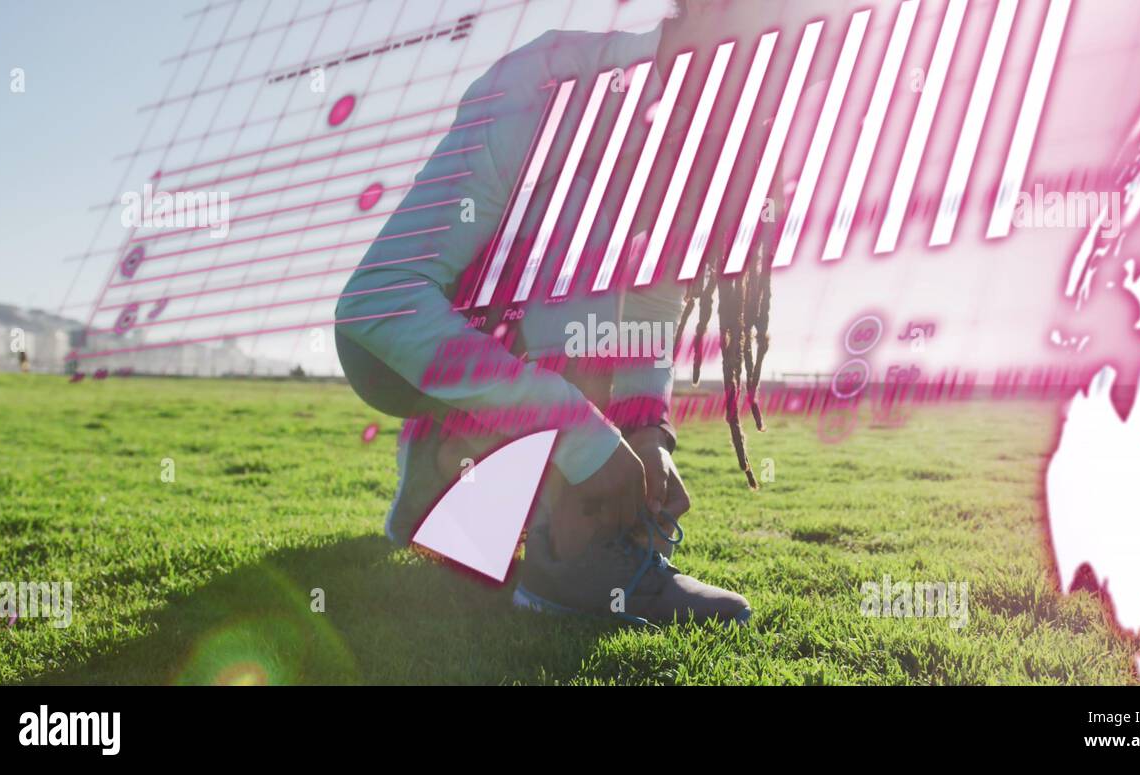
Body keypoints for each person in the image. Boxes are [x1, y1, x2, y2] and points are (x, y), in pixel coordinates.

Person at [334, 0, 806, 624]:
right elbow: (380, 300)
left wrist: (644, 429)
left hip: (494, 342)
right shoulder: (544, 86)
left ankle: (442, 482)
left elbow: (655, 288)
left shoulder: (712, 137)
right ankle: (572, 564)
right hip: (387, 357)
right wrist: (579, 434)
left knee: (601, 284)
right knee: (580, 255)